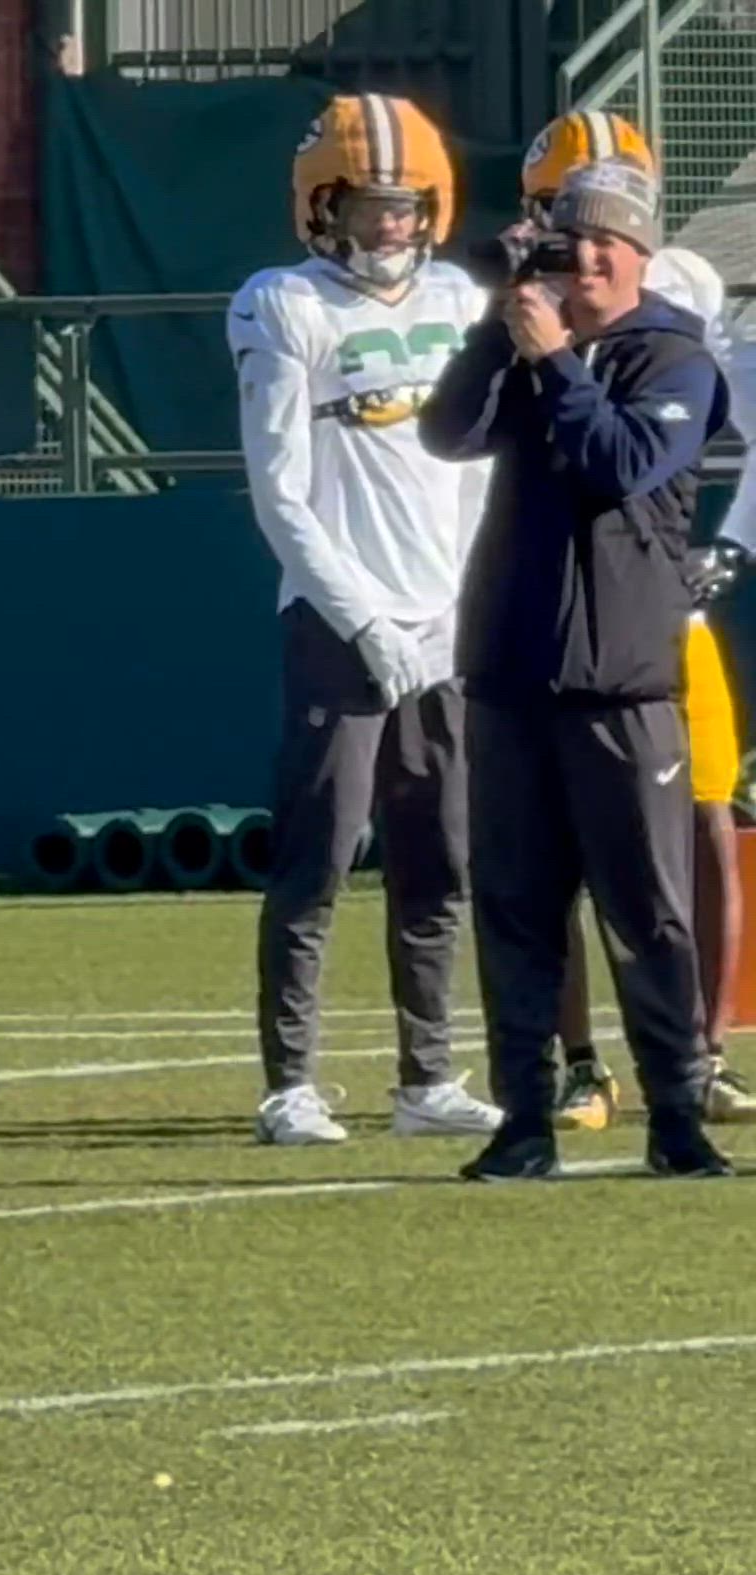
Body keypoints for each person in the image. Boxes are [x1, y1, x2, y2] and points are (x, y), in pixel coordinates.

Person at [421, 156, 736, 1179]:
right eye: (573, 239)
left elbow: (622, 465)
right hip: (512, 672)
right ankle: (524, 1121)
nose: (588, 259)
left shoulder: (676, 360)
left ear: (642, 253)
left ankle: (677, 1118)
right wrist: (497, 328)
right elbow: (447, 432)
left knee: (646, 911)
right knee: (516, 908)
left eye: (609, 241)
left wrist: (556, 361)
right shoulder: (530, 344)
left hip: (624, 683)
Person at [226, 92, 499, 1146]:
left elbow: (476, 475)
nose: (391, 225)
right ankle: (290, 1083)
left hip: (440, 622)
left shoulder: (460, 298)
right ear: (322, 205)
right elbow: (279, 492)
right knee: (320, 856)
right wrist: (362, 619)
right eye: (371, 205)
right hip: (338, 625)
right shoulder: (284, 302)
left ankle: (427, 1076)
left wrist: (454, 608)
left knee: (441, 857)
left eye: (407, 205)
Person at [510, 114, 756, 1130]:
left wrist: (728, 543)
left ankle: (702, 1055)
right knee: (548, 857)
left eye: (613, 213)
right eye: (567, 211)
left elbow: (709, 422)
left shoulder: (680, 290)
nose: (586, 241)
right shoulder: (516, 300)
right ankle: (579, 1062)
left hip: (662, 600)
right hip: (555, 604)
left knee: (705, 822)